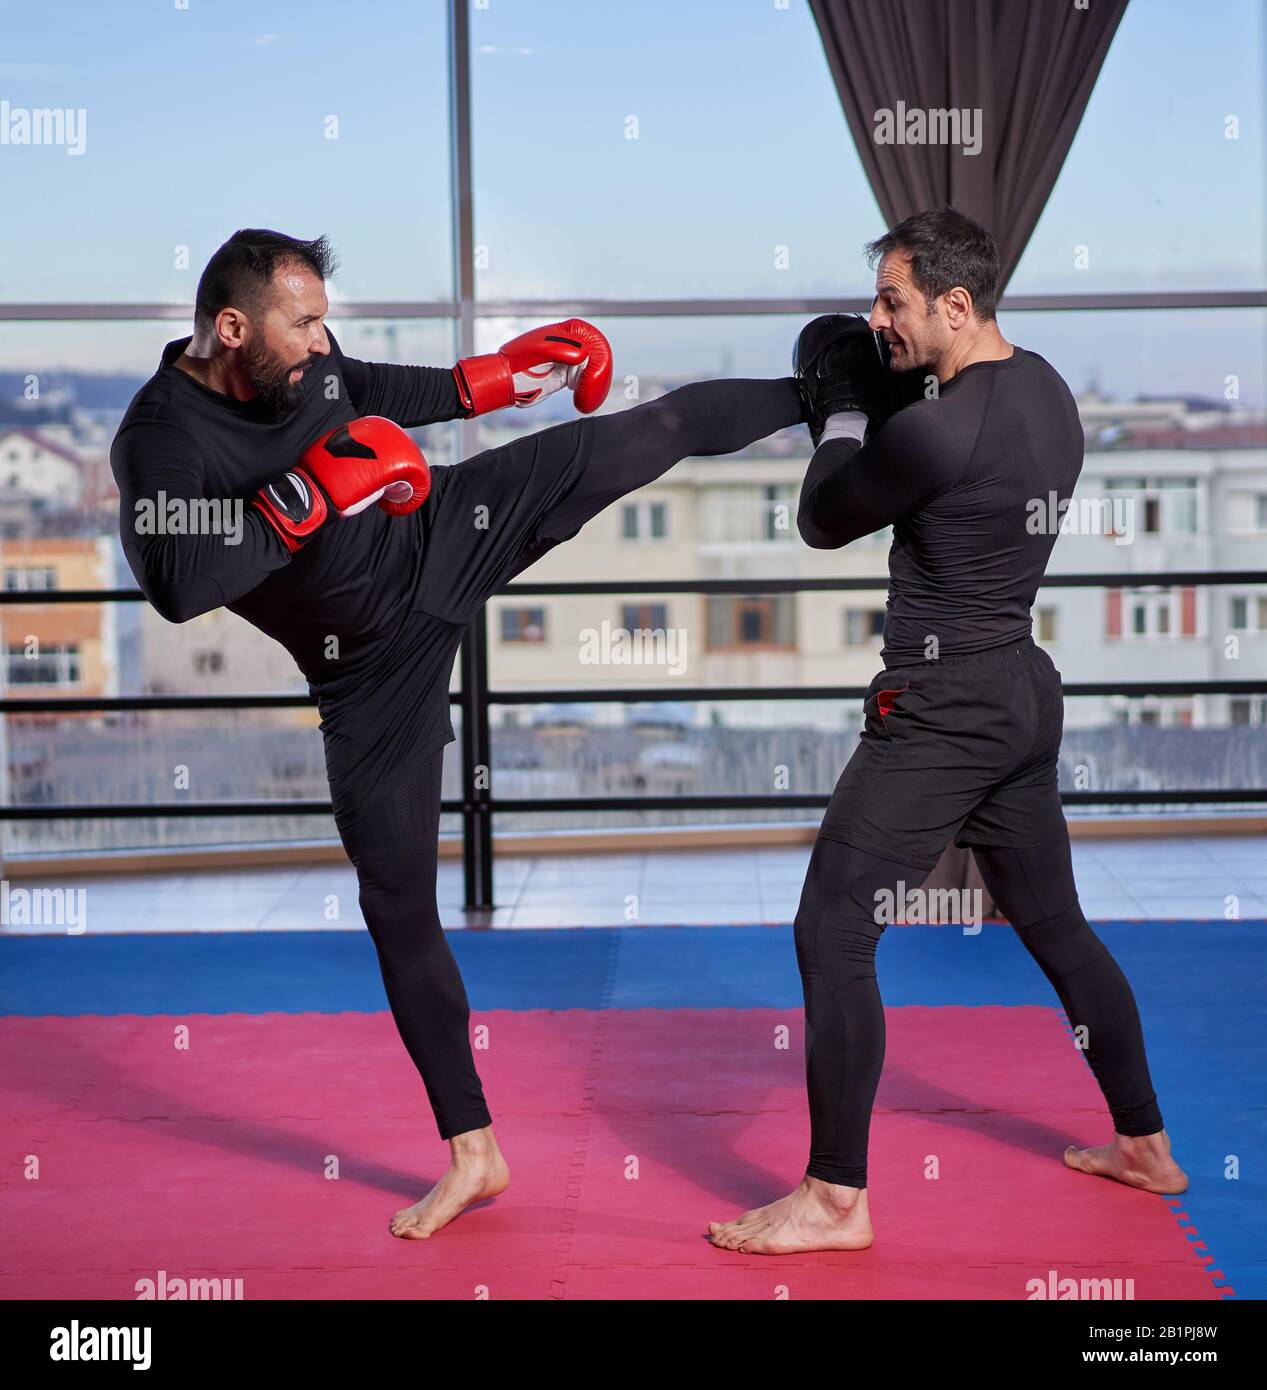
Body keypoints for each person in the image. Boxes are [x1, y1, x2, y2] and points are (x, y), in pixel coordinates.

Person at [111, 227, 805, 1239]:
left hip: (443, 537)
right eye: (301, 322)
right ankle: (472, 1151)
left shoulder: (304, 362)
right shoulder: (161, 437)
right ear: (230, 328)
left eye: (321, 318)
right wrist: (308, 496)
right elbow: (178, 585)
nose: (320, 341)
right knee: (398, 907)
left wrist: (492, 379)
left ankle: (831, 391)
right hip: (366, 676)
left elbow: (373, 388)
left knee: (646, 435)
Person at [708, 206, 1187, 1256]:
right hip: (1020, 689)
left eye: (894, 301)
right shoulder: (1047, 388)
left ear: (955, 307)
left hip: (942, 709)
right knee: (1056, 928)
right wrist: (887, 384)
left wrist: (839, 409)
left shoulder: (936, 425)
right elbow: (945, 447)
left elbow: (823, 515)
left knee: (830, 930)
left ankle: (836, 1196)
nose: (877, 319)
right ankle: (1145, 1142)